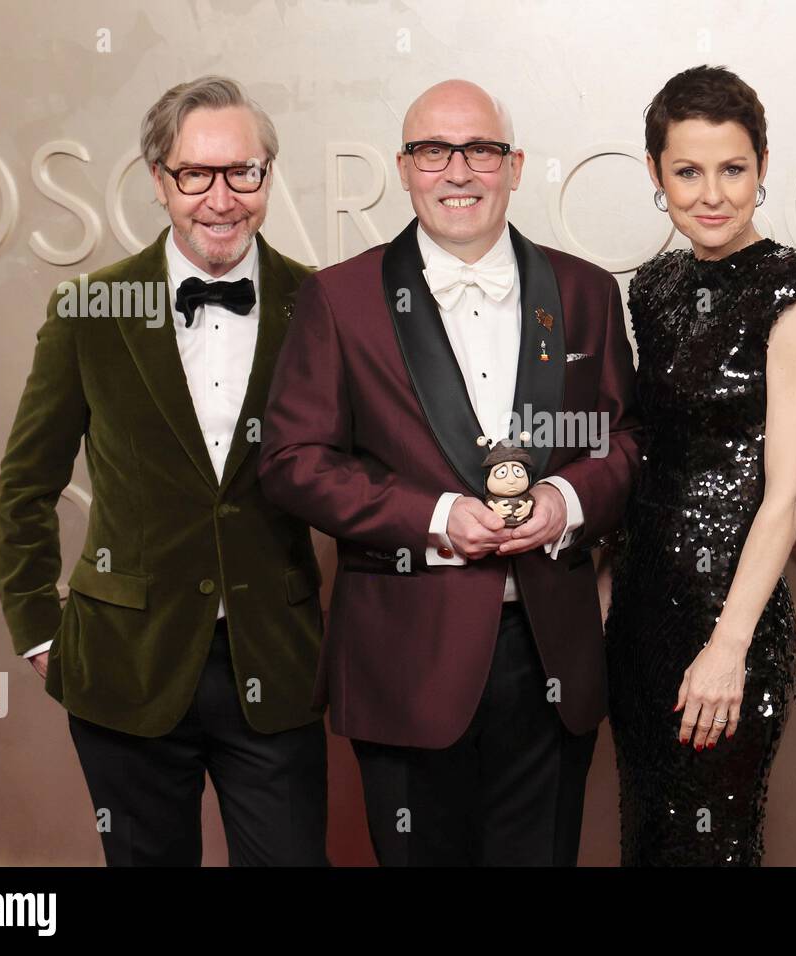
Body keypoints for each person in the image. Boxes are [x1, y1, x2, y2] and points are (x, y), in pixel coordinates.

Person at [257, 79, 641, 866]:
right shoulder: (340, 297)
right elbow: (293, 461)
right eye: (433, 151)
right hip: (405, 661)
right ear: (404, 168)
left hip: (551, 656)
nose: (456, 171)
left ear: (515, 164)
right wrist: (430, 517)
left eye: (480, 150)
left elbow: (624, 441)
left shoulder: (586, 292)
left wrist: (567, 499)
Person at [0, 76, 328, 866]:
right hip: (124, 668)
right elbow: (25, 486)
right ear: (158, 181)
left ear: (268, 175)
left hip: (274, 664)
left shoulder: (320, 307)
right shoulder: (88, 309)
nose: (221, 198)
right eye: (195, 175)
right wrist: (40, 631)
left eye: (243, 172)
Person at [602, 66, 796, 866]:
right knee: (647, 835)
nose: (712, 193)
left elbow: (789, 492)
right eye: (688, 171)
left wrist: (728, 645)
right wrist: (608, 589)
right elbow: (648, 452)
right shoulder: (654, 287)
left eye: (733, 169)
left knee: (713, 845)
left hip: (728, 622)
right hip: (639, 615)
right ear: (655, 174)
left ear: (763, 165)